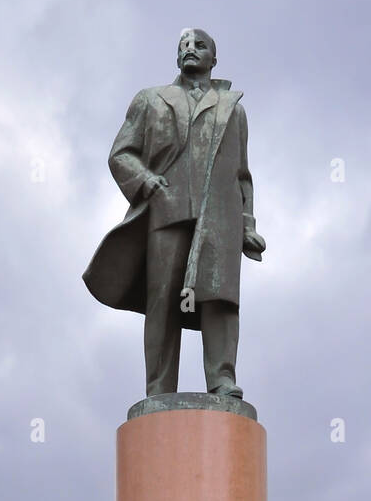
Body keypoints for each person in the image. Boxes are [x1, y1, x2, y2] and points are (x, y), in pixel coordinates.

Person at [83, 28, 265, 398]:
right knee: (163, 298)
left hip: (221, 215)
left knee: (220, 299)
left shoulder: (234, 110)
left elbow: (242, 174)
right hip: (167, 209)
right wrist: (146, 181)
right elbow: (121, 154)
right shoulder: (151, 100)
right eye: (183, 45)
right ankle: (160, 389)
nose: (190, 50)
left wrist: (247, 225)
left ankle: (222, 380)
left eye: (200, 45)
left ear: (214, 59)